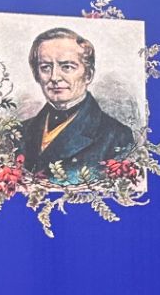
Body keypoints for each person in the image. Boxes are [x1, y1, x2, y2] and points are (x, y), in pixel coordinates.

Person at [18, 27, 136, 181]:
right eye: (45, 67)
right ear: (36, 75)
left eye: (67, 67)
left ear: (88, 75)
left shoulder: (117, 136)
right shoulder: (19, 132)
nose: (54, 77)